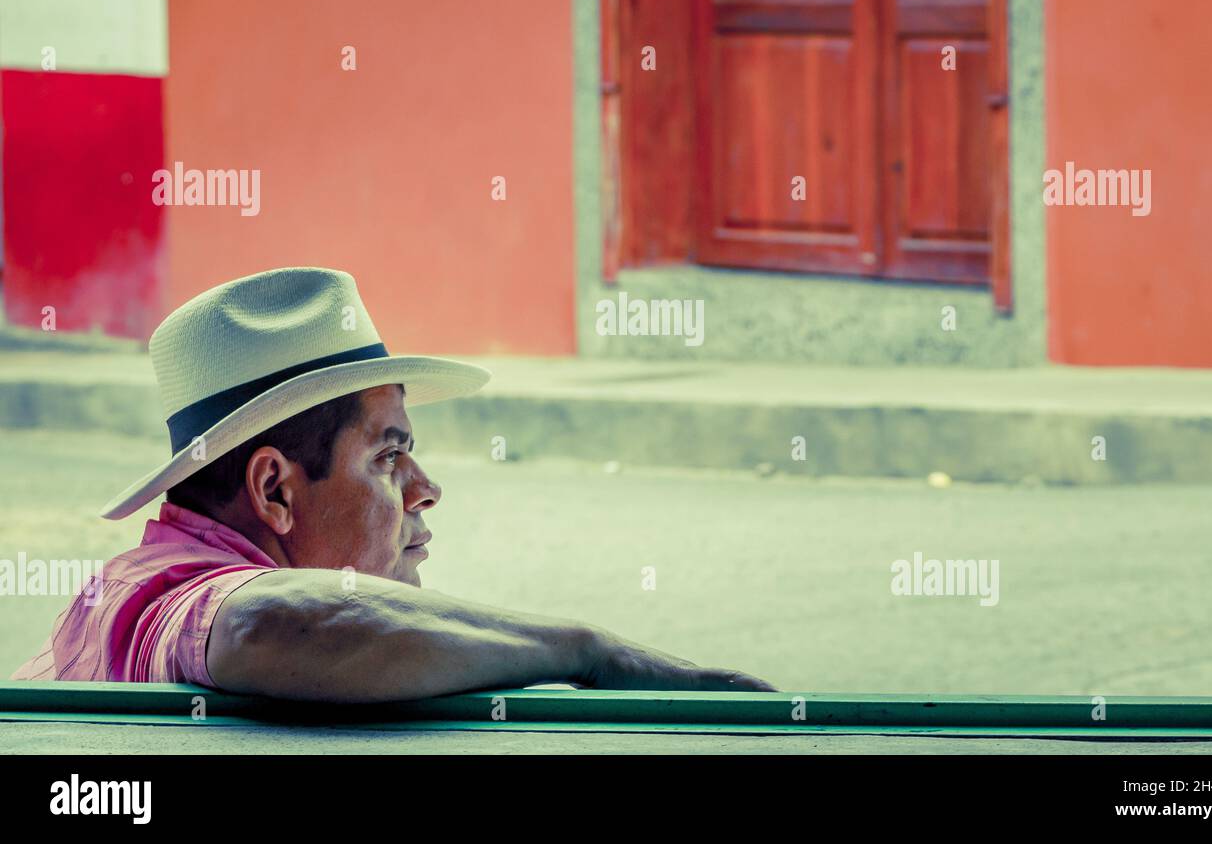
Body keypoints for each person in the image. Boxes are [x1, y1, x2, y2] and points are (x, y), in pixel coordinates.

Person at [12, 267, 774, 700]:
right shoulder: (162, 596)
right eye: (388, 458)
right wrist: (590, 651)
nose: (425, 489)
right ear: (274, 490)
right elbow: (270, 622)